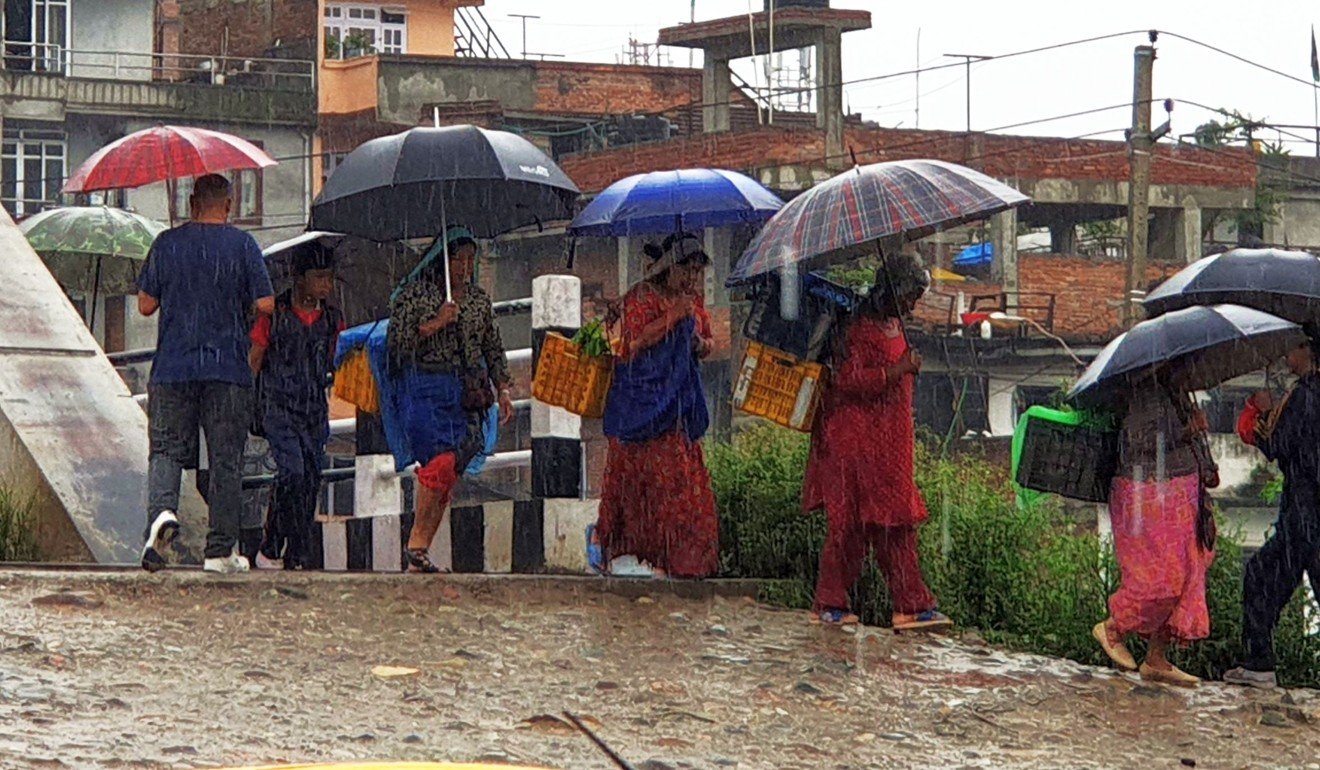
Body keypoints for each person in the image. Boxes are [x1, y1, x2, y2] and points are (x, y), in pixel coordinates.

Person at [803, 255, 951, 631]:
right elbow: (847, 381)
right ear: (892, 289)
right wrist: (897, 370)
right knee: (849, 523)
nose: (912, 305)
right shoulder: (856, 327)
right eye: (909, 295)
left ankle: (911, 603)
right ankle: (830, 602)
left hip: (889, 442)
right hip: (853, 441)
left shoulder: (893, 324)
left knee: (895, 523)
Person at [137, 174, 275, 574]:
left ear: (192, 201)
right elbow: (265, 303)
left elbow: (146, 305)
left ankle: (162, 514)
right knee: (225, 459)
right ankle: (219, 551)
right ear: (228, 205)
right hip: (226, 368)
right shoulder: (243, 245)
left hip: (173, 368)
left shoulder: (167, 243)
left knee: (165, 450)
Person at [388, 227, 513, 573]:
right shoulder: (416, 296)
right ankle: (418, 543)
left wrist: (502, 387)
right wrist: (435, 323)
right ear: (443, 260)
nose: (466, 267)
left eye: (472, 260)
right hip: (427, 388)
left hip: (466, 390)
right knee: (439, 460)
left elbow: (492, 344)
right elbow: (398, 345)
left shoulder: (477, 301)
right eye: (460, 259)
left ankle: (419, 548)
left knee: (458, 457)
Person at [594, 233, 718, 579]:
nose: (691, 278)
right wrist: (672, 319)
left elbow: (708, 342)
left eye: (696, 271)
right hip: (641, 403)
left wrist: (698, 343)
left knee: (681, 486)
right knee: (636, 484)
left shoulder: (692, 302)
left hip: (677, 404)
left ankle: (681, 561)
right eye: (686, 269)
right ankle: (624, 551)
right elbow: (632, 345)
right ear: (668, 268)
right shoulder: (641, 298)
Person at [1092, 376, 1218, 687]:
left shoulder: (1177, 390)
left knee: (1189, 573)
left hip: (1182, 490)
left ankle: (1156, 658)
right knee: (1162, 577)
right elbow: (1138, 441)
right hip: (1147, 491)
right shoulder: (1142, 393)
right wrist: (1186, 430)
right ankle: (1113, 627)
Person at [1224, 338, 1320, 690]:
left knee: (1260, 578)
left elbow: (1282, 446)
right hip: (1308, 514)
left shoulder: (1305, 394)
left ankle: (1259, 663)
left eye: (1293, 348)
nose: (1287, 356)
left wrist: (1263, 414)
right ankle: (1258, 662)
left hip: (1304, 513)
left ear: (1309, 352)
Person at [248, 246, 345, 570]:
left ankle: (297, 553)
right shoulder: (274, 314)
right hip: (278, 405)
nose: (325, 286)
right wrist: (245, 402)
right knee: (292, 472)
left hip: (314, 408)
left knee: (310, 479)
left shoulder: (332, 319)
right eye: (318, 278)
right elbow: (256, 358)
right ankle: (273, 543)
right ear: (299, 279)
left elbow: (338, 360)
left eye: (329, 279)